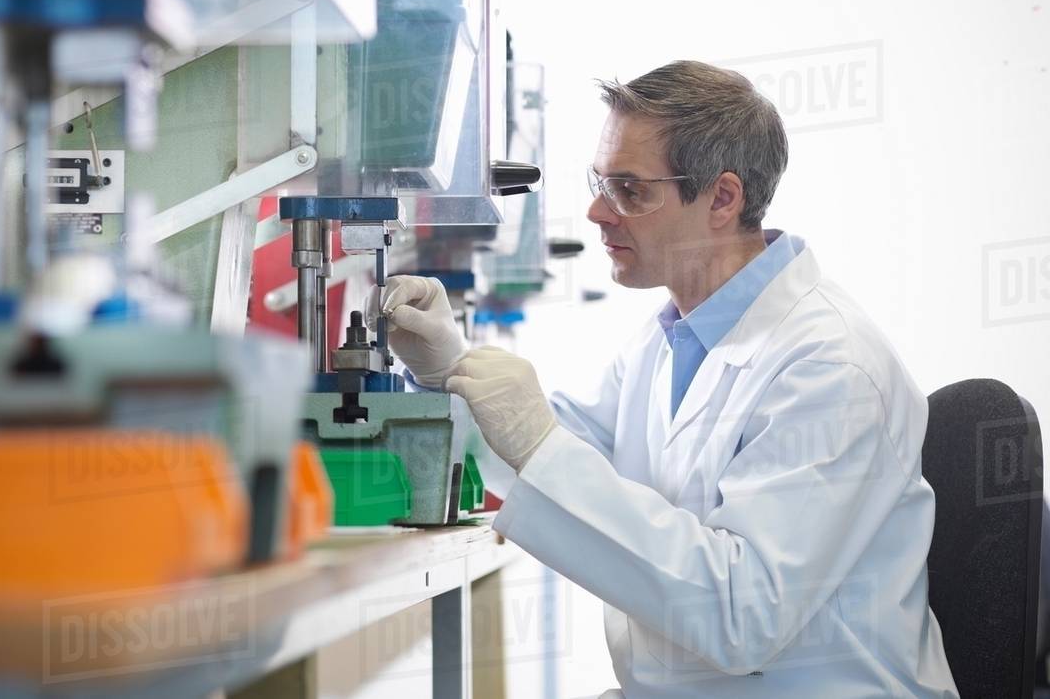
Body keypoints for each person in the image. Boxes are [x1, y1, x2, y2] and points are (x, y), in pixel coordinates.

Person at [373, 61, 959, 697]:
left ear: (723, 198)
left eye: (632, 190)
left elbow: (743, 615)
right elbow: (539, 452)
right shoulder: (670, 340)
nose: (598, 211)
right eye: (601, 182)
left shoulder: (831, 368)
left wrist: (539, 442)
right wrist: (446, 370)